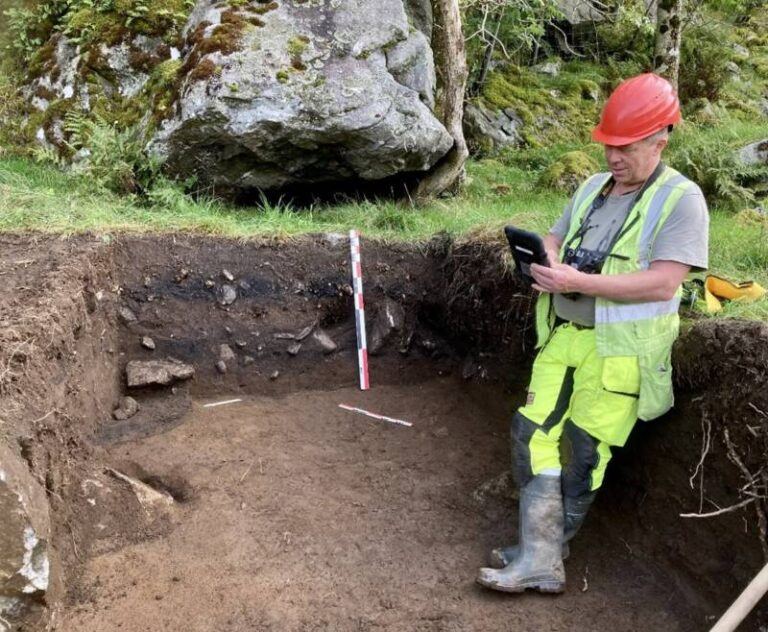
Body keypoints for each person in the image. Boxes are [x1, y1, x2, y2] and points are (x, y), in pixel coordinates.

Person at [476, 73, 710, 594]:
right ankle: (538, 551)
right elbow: (557, 237)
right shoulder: (591, 187)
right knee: (531, 432)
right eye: (608, 145)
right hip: (565, 334)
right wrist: (548, 263)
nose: (614, 157)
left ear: (659, 140)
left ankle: (545, 556)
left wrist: (579, 281)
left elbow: (665, 281)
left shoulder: (682, 200)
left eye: (625, 147)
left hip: (621, 354)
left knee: (583, 452)